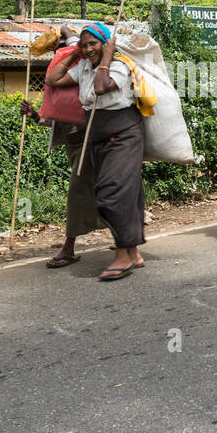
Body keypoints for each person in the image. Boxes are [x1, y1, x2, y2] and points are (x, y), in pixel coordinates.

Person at [43, 22, 146, 281]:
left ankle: (123, 256)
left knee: (112, 195)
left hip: (123, 137)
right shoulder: (84, 66)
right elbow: (52, 79)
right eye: (85, 43)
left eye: (93, 44)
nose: (89, 49)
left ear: (105, 43)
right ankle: (132, 252)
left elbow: (102, 87)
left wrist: (108, 57)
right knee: (112, 193)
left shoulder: (120, 65)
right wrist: (74, 55)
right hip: (98, 140)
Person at [19, 27, 103, 268]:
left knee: (78, 191)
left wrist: (65, 34)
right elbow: (56, 116)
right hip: (72, 143)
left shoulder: (82, 70)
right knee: (98, 189)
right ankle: (126, 233)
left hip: (89, 139)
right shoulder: (62, 77)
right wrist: (36, 115)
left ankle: (69, 247)